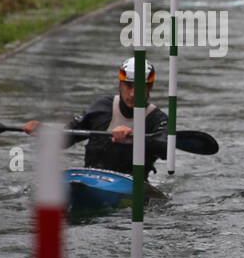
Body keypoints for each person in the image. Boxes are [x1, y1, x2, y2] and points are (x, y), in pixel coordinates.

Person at [22, 59, 168, 176]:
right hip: (91, 178)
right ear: (119, 84)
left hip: (132, 185)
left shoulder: (157, 119)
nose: (132, 94)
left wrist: (132, 138)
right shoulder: (101, 107)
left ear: (150, 88)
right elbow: (65, 139)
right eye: (128, 86)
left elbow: (165, 149)